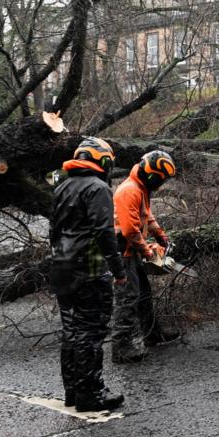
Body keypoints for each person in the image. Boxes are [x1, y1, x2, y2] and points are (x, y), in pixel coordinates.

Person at [49, 137, 127, 412]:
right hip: (89, 270)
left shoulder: (62, 187)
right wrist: (118, 268)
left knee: (71, 331)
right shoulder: (98, 188)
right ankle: (91, 394)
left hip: (61, 266)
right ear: (103, 160)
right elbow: (104, 232)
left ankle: (73, 390)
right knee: (91, 332)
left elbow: (53, 230)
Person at [111, 150, 181, 363]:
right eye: (160, 178)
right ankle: (121, 348)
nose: (160, 183)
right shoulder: (129, 191)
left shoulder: (141, 189)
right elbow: (130, 230)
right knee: (127, 298)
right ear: (152, 174)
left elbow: (146, 217)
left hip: (132, 249)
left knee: (143, 294)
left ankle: (152, 334)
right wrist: (148, 252)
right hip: (123, 250)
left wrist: (161, 237)